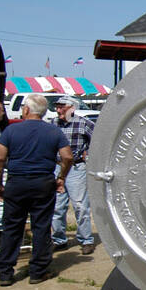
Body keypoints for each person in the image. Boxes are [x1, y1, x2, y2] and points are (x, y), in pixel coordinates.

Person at [0, 94, 74, 285]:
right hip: (43, 182)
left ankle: (5, 272)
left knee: (12, 227)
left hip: (17, 182)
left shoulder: (11, 130)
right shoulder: (53, 131)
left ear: (27, 110)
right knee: (41, 226)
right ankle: (38, 271)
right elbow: (68, 157)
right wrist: (61, 178)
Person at [51, 96, 95, 253]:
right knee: (57, 206)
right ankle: (59, 239)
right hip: (57, 167)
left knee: (80, 205)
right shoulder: (53, 124)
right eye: (57, 107)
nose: (58, 110)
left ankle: (86, 240)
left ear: (72, 108)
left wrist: (88, 153)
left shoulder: (83, 123)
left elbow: (97, 140)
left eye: (62, 107)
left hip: (76, 168)